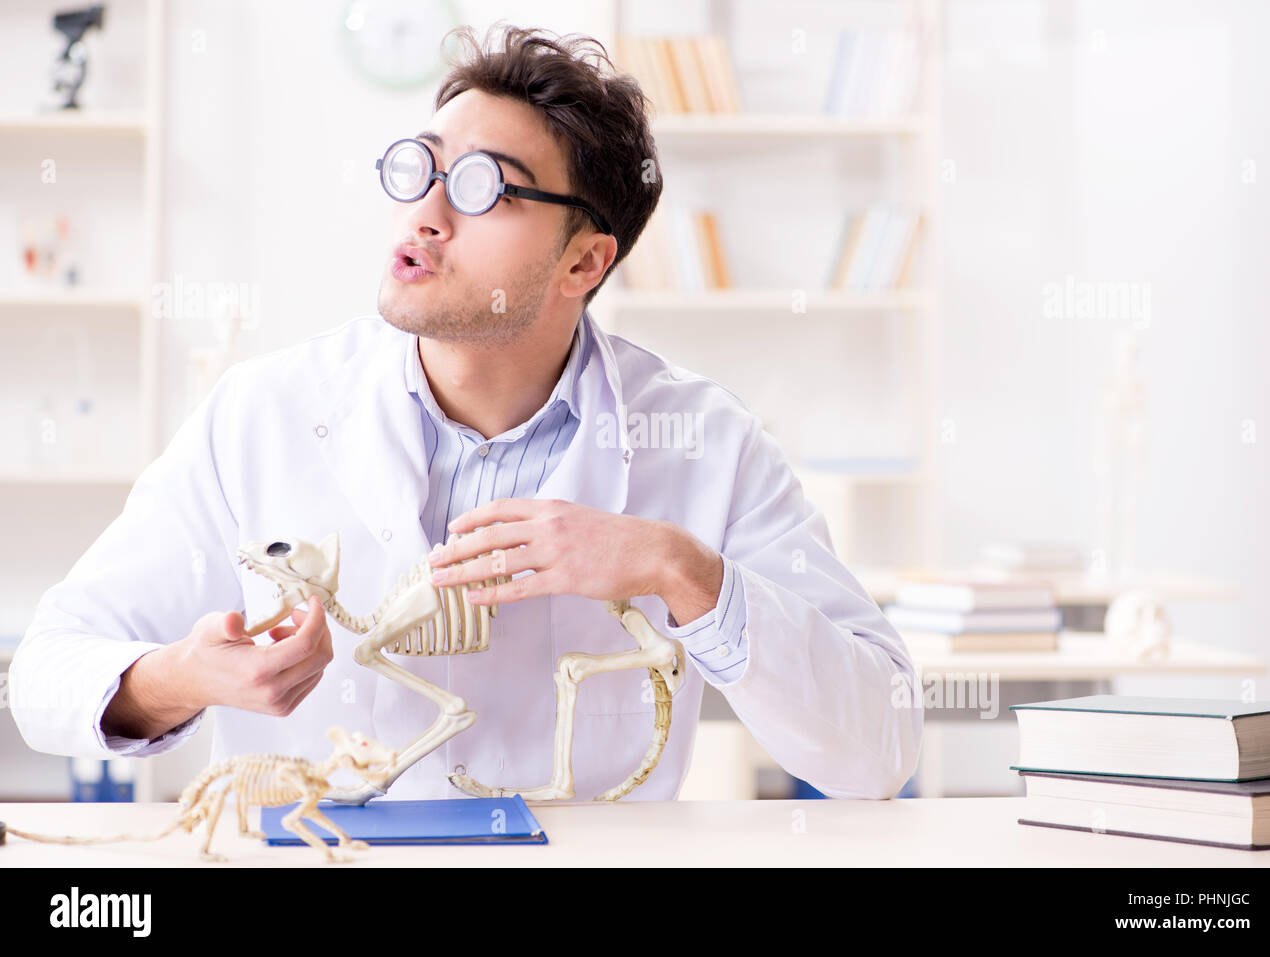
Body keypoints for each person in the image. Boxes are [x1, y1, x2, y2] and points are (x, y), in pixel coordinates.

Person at [10, 24, 921, 801]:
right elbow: (44, 676)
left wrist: (678, 567)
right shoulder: (260, 414)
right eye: (423, 169)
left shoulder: (709, 443)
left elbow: (878, 745)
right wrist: (178, 677)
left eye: (487, 186)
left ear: (584, 264)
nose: (429, 212)